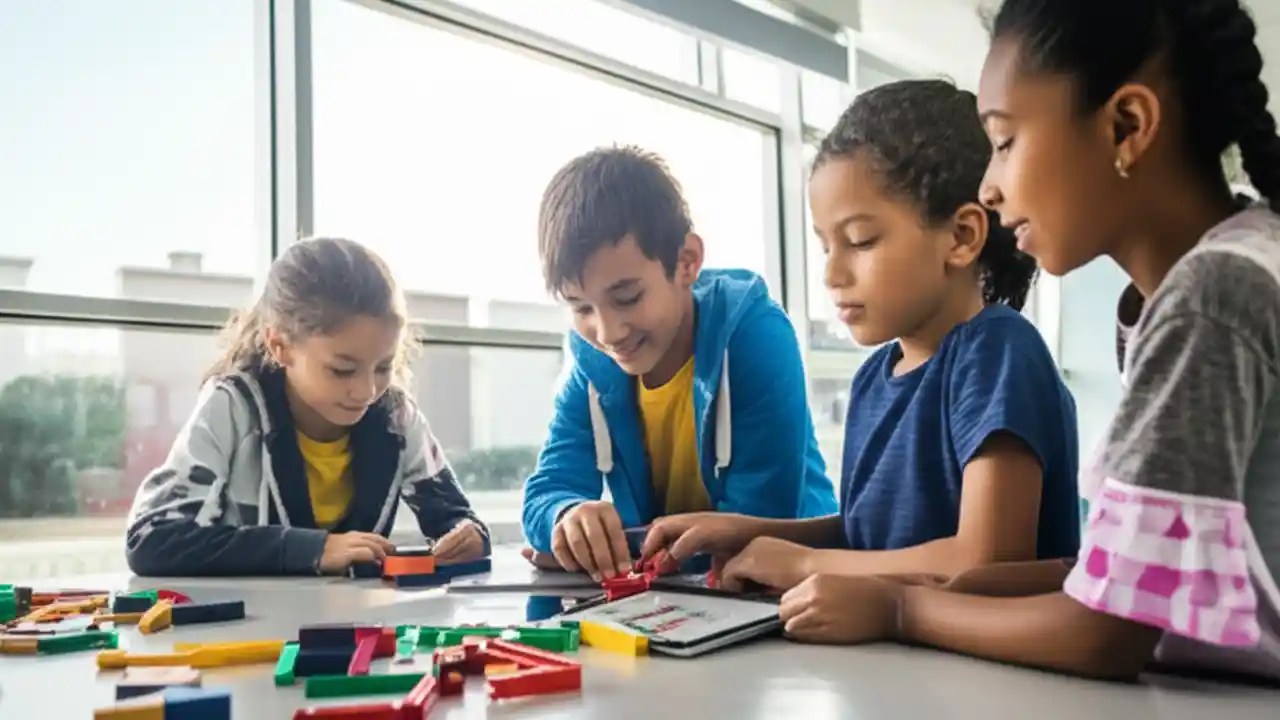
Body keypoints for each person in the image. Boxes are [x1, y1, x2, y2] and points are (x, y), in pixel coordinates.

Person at [779, 0, 1280, 681]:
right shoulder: (1211, 281)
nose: (989, 186)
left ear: (1126, 127)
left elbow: (1106, 634)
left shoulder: (1212, 295)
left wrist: (900, 609)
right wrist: (948, 585)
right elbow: (1128, 577)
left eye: (1006, 142)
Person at [640, 80, 1081, 603]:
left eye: (860, 241)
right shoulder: (874, 378)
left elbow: (985, 559)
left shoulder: (998, 353)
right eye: (826, 245)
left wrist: (804, 562)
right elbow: (865, 539)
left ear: (961, 238)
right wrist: (750, 532)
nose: (832, 273)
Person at [521, 146, 837, 582]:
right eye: (581, 307)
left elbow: (756, 522)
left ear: (687, 262)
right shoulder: (590, 363)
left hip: (790, 586)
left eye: (627, 297)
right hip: (674, 591)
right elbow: (546, 493)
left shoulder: (757, 336)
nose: (608, 332)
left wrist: (618, 550)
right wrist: (568, 518)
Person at [125, 238, 487, 576]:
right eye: (342, 369)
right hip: (246, 634)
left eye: (383, 367)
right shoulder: (232, 407)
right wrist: (312, 550)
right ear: (280, 345)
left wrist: (468, 536)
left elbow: (456, 517)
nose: (366, 390)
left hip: (360, 628)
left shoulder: (395, 415)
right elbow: (151, 538)